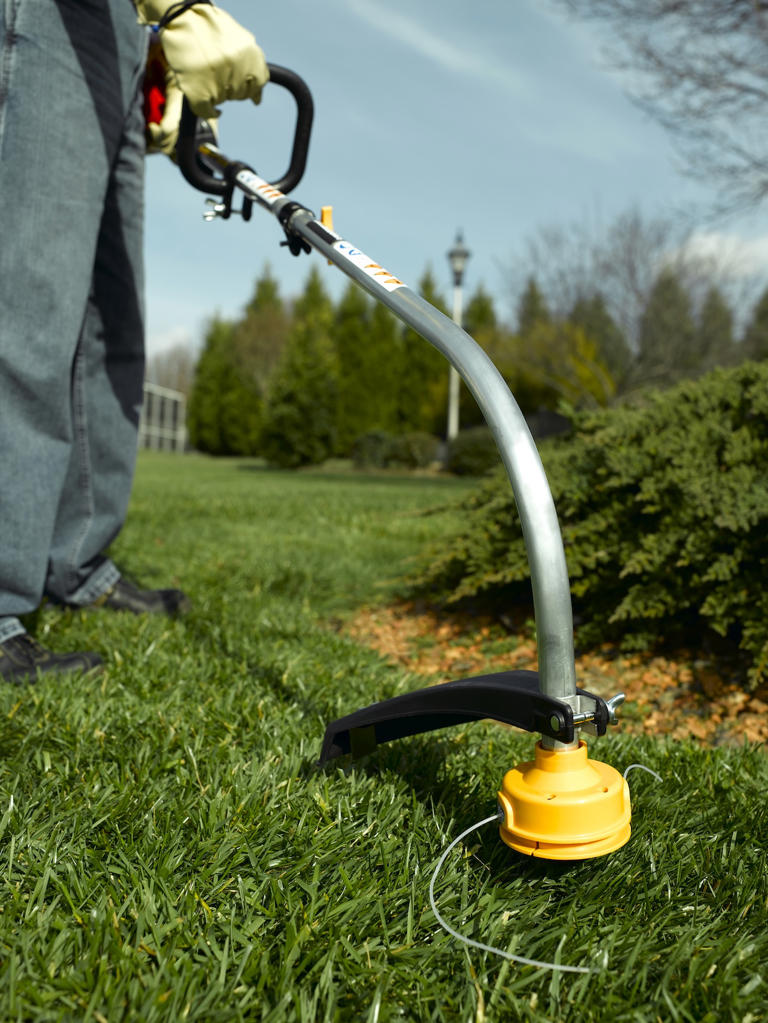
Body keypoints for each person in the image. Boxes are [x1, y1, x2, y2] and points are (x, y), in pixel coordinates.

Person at [0, 0, 268, 683]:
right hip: (57, 15)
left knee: (111, 322)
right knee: (30, 302)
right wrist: (178, 7)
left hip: (123, 34)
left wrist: (159, 63)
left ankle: (79, 562)